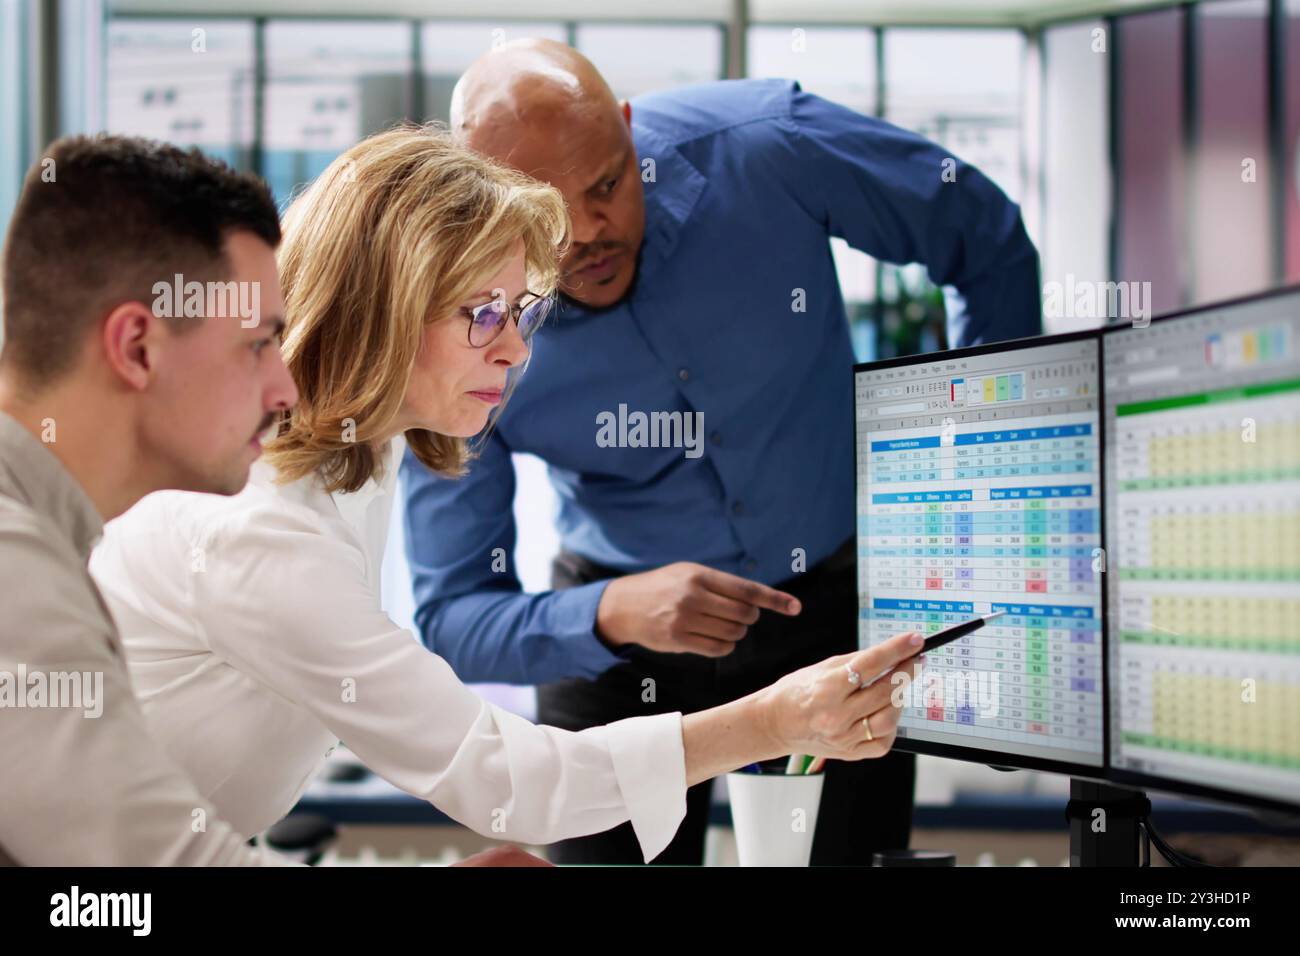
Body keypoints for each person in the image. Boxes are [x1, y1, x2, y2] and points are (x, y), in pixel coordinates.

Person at [90, 125, 928, 863]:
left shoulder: (356, 454)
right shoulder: (256, 524)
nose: (518, 351)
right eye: (481, 314)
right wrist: (777, 722)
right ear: (382, 307)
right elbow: (507, 781)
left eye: (522, 310)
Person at [401, 39, 1043, 864]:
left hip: (835, 617)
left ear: (629, 133)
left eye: (608, 184)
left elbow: (983, 236)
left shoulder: (767, 143)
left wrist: (977, 471)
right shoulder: (451, 335)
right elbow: (453, 616)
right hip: (614, 652)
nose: (591, 232)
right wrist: (608, 613)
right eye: (549, 217)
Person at [0, 134, 297, 865]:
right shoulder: (13, 570)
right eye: (259, 343)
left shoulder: (41, 541)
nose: (285, 389)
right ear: (137, 346)